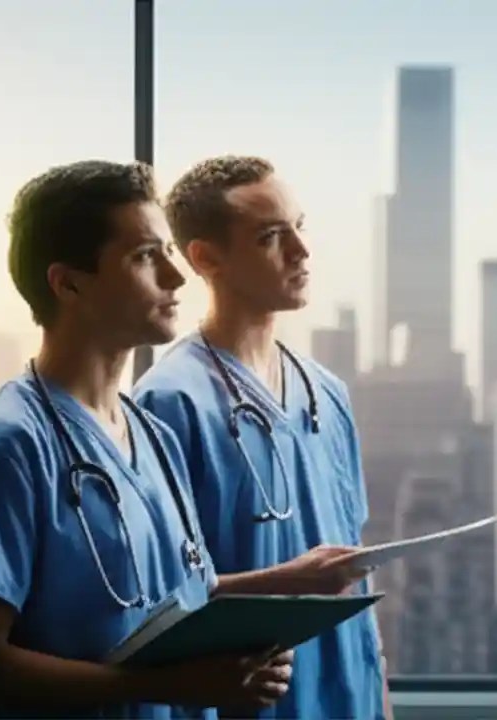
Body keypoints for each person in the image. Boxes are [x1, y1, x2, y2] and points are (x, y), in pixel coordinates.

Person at [0, 160, 297, 719]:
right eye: (144, 258)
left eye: (169, 256)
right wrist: (163, 685)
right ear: (68, 282)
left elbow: (187, 597)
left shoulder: (153, 436)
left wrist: (240, 660)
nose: (176, 280)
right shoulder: (7, 445)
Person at [134, 155, 389, 719]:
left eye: (300, 227)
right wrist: (286, 581)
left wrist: (381, 703)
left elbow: (353, 576)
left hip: (350, 694)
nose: (301, 251)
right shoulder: (169, 403)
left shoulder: (326, 392)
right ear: (206, 258)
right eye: (272, 236)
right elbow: (161, 598)